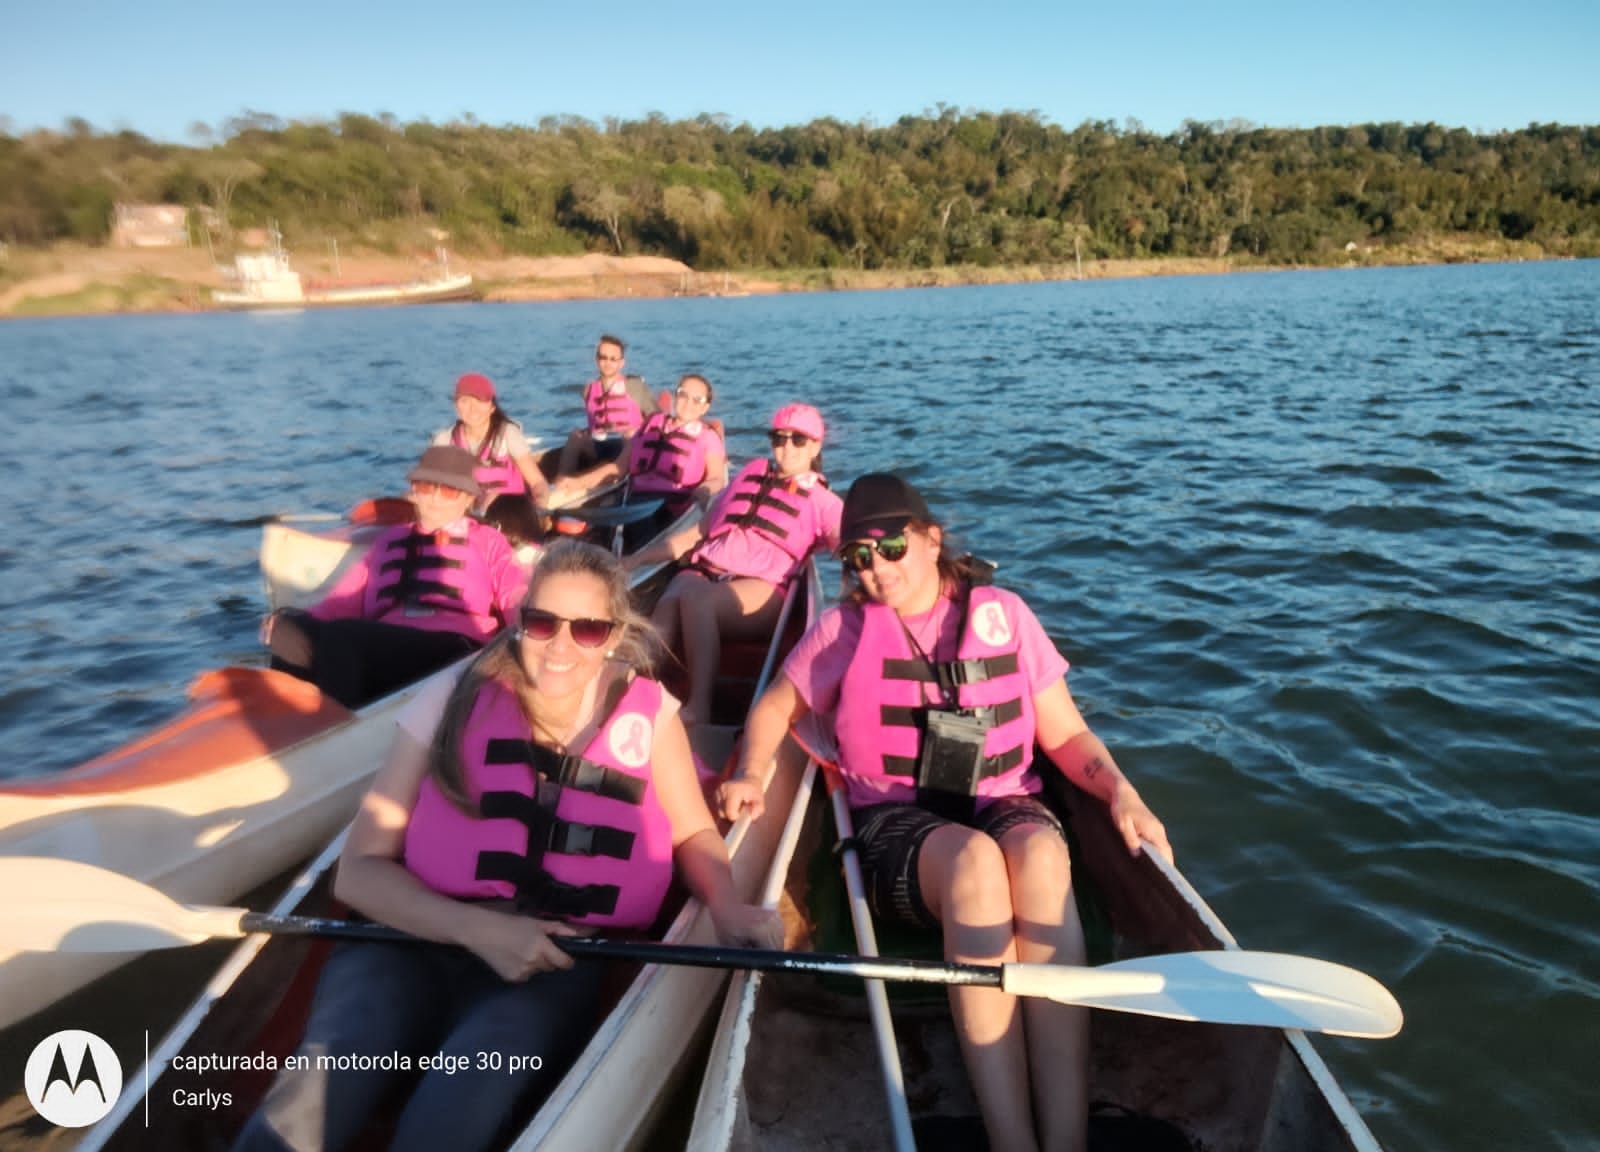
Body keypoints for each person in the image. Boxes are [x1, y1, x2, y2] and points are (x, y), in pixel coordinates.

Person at [235, 540, 782, 1152]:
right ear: (520, 620)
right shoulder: (450, 696)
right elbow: (358, 874)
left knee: (448, 1124)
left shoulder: (649, 715)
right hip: (404, 943)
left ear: (616, 633)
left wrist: (730, 907)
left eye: (589, 629)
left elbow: (691, 831)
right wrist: (478, 930)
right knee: (299, 1116)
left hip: (548, 967)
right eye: (542, 622)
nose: (560, 647)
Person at [719, 473, 1172, 1152]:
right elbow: (776, 707)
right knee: (975, 864)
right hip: (897, 827)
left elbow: (1067, 736)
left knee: (1044, 858)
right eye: (858, 558)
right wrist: (752, 770)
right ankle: (1012, 1141)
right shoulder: (843, 630)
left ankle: (1068, 1137)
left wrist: (1121, 791)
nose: (877, 570)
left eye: (892, 546)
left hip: (1005, 799)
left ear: (932, 541)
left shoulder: (1005, 615)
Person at [626, 403, 842, 727]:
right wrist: (637, 558)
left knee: (697, 601)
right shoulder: (749, 475)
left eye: (798, 440)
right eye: (779, 439)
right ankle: (634, 693)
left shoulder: (826, 503)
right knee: (668, 603)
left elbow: (850, 551)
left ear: (815, 445)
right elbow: (700, 532)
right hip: (706, 568)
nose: (786, 447)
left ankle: (699, 706)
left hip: (762, 586)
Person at [265, 445, 526, 709]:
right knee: (288, 631)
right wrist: (293, 621)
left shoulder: (488, 541)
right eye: (425, 487)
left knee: (342, 638)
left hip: (455, 651)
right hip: (386, 647)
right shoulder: (388, 541)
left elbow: (514, 595)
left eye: (448, 491)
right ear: (414, 490)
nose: (434, 498)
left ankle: (337, 727)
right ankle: (290, 725)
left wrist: (526, 641)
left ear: (468, 498)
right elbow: (341, 601)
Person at [553, 373, 728, 517]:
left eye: (697, 400)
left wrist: (704, 490)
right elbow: (618, 468)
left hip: (671, 506)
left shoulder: (708, 437)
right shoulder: (650, 425)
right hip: (634, 500)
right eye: (683, 394)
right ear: (676, 396)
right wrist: (577, 482)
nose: (688, 403)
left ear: (705, 407)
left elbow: (717, 478)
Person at [431, 371, 550, 545]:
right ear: (456, 406)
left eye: (479, 401)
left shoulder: (508, 434)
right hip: (468, 521)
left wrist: (540, 510)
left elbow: (538, 483)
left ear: (492, 407)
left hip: (512, 522)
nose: (473, 409)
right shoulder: (443, 440)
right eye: (465, 401)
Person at [554, 335, 658, 481]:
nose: (607, 363)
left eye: (613, 359)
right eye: (603, 357)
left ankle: (585, 482)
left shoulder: (634, 386)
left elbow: (658, 419)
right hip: (600, 444)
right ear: (596, 360)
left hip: (628, 446)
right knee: (574, 437)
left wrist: (639, 432)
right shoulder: (588, 390)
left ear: (621, 362)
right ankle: (561, 481)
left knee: (631, 439)